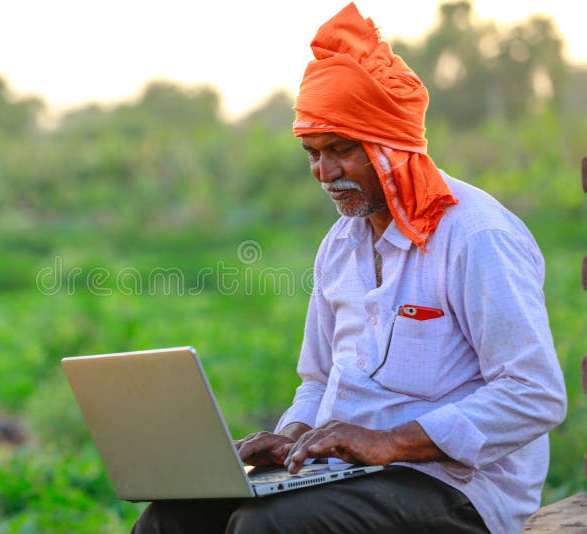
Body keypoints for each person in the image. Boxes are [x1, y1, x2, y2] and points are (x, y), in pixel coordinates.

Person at [132, 3, 567, 533]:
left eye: (341, 149)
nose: (324, 171)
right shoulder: (341, 243)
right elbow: (318, 381)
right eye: (313, 152)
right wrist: (292, 434)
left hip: (460, 489)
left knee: (266, 525)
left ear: (392, 148)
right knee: (171, 518)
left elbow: (535, 394)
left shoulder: (478, 237)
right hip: (348, 475)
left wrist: (390, 442)